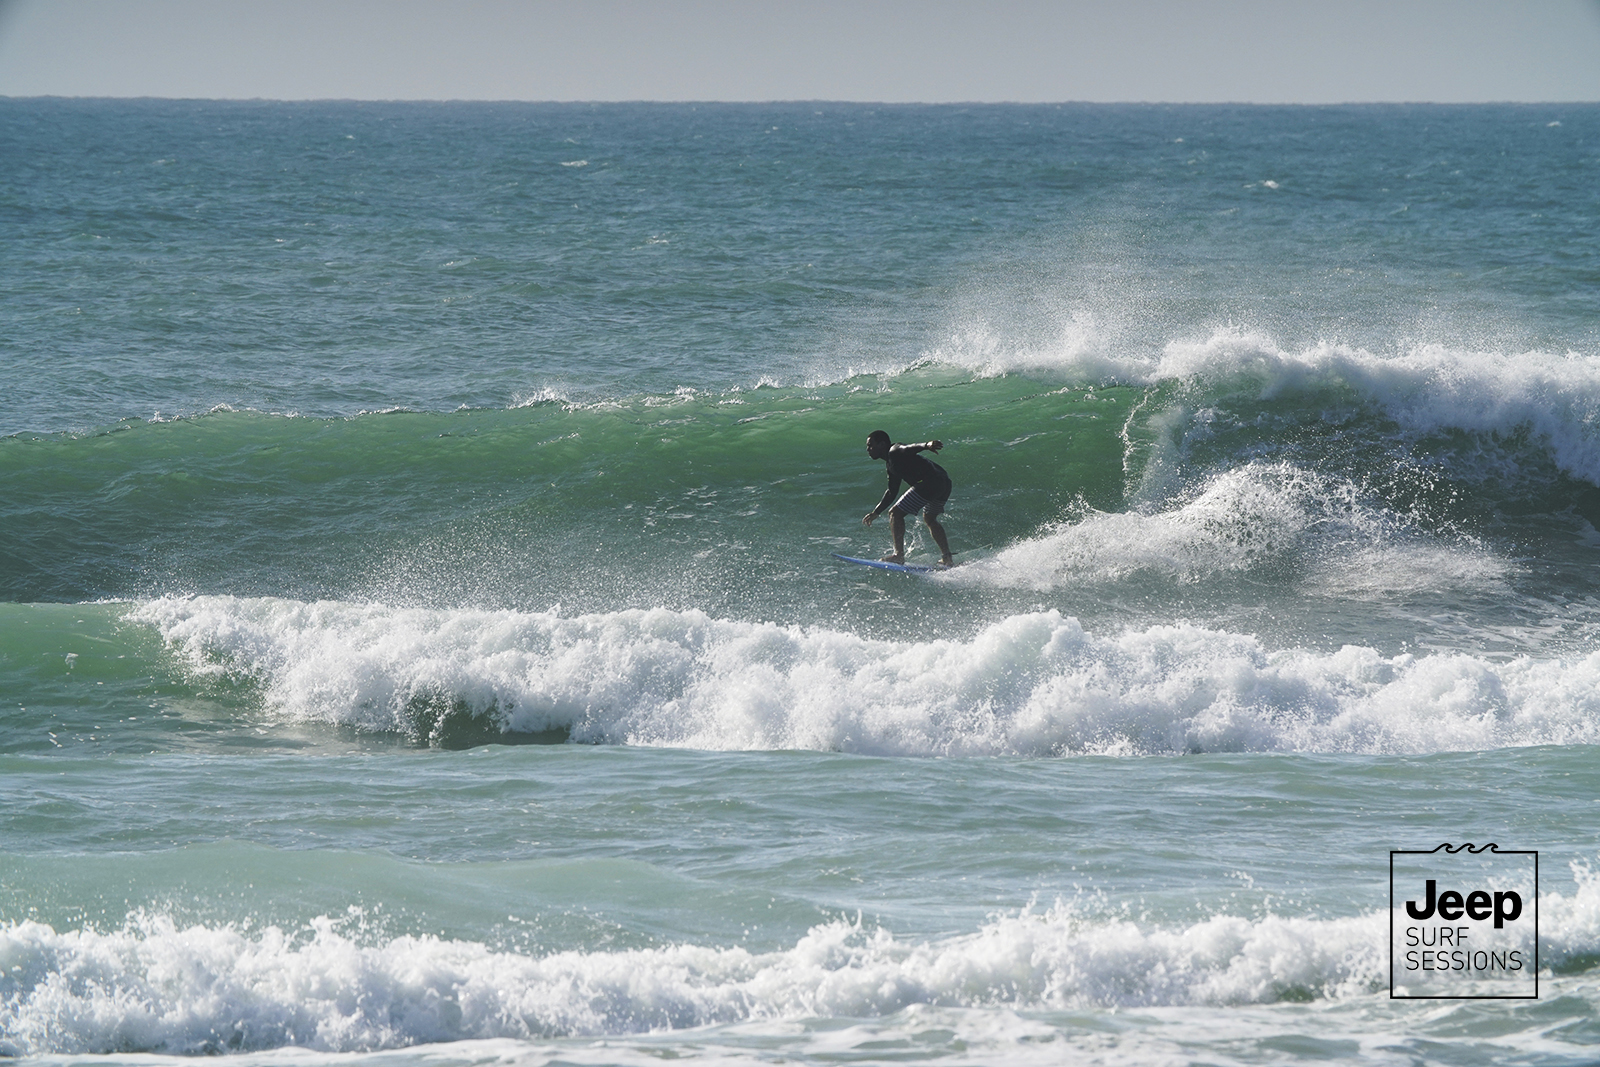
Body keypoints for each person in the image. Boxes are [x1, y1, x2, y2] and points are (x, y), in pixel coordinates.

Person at [862, 429, 955, 567]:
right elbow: (892, 492)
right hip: (944, 483)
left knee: (895, 513)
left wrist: (926, 445)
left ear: (882, 444)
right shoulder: (891, 465)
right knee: (929, 519)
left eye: (871, 445)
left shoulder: (895, 450)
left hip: (930, 483)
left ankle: (898, 555)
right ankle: (947, 558)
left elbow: (908, 448)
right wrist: (876, 512)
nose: (868, 449)